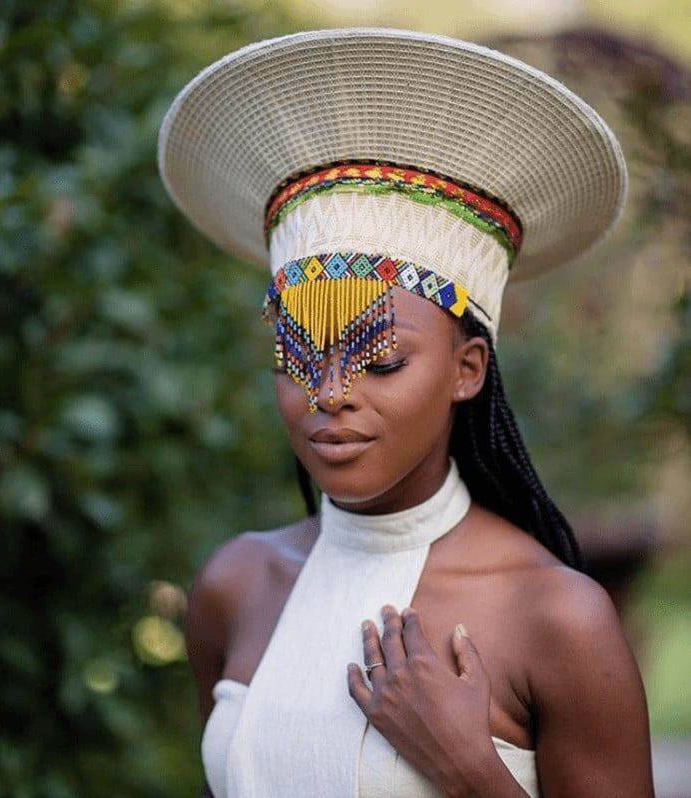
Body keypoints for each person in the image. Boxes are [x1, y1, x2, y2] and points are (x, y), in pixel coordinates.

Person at [159, 29, 655, 797]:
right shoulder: (235, 585)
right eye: (298, 359)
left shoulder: (556, 618)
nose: (329, 393)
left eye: (382, 361)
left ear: (467, 369)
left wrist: (470, 771)